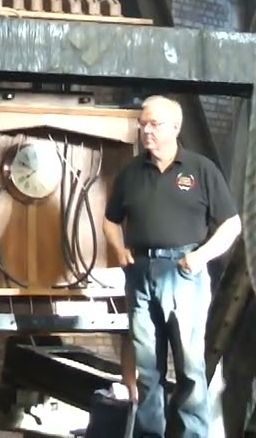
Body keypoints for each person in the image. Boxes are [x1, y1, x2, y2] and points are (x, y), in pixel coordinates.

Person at [103, 95, 241, 437]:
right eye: (143, 124)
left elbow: (232, 224)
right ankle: (150, 433)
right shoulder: (131, 173)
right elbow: (110, 220)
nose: (146, 131)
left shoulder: (200, 169)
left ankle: (191, 434)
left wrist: (201, 256)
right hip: (141, 273)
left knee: (189, 367)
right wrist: (119, 250)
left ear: (175, 128)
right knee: (147, 367)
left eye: (154, 124)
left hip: (184, 274)